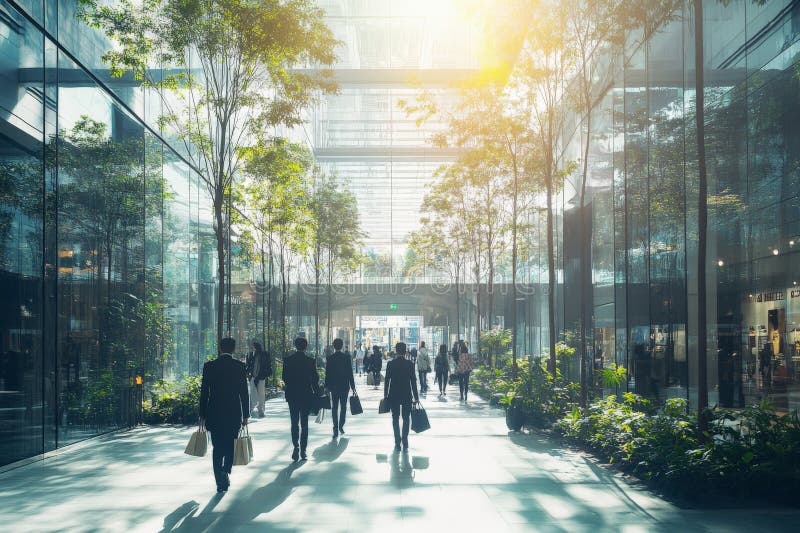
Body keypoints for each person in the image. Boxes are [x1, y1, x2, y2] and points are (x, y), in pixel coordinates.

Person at [199, 337, 249, 493]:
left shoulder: (209, 366)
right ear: (233, 349)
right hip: (233, 412)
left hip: (214, 412)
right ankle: (225, 470)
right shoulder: (239, 366)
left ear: (220, 348)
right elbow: (244, 393)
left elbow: (204, 392)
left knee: (217, 447)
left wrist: (202, 413)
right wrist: (246, 414)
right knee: (230, 445)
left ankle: (219, 481)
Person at [282, 337, 321, 461]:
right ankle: (303, 450)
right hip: (306, 395)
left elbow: (284, 377)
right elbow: (315, 379)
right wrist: (318, 393)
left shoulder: (288, 360)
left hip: (292, 395)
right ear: (306, 347)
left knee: (294, 422)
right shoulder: (310, 361)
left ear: (295, 346)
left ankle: (296, 447)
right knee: (304, 423)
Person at [384, 342, 419, 451]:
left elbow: (387, 380)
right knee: (406, 418)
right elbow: (413, 381)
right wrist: (416, 397)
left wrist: (385, 395)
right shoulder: (410, 364)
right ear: (405, 352)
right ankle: (405, 440)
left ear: (396, 351)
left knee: (395, 418)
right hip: (406, 394)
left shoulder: (391, 364)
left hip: (393, 394)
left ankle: (397, 442)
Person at [325, 338, 357, 438]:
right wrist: (353, 386)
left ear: (334, 346)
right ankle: (341, 426)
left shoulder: (330, 358)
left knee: (334, 407)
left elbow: (327, 374)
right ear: (342, 346)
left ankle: (335, 428)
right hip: (344, 386)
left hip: (333, 386)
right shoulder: (346, 358)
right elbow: (350, 373)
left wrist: (326, 386)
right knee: (343, 406)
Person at [246, 341, 272, 418]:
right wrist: (248, 374)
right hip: (253, 377)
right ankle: (250, 409)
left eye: (253, 346)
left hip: (261, 377)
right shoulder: (250, 354)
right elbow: (248, 365)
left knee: (261, 394)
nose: (252, 348)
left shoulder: (264, 354)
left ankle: (261, 410)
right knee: (252, 393)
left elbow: (268, 364)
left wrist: (266, 374)